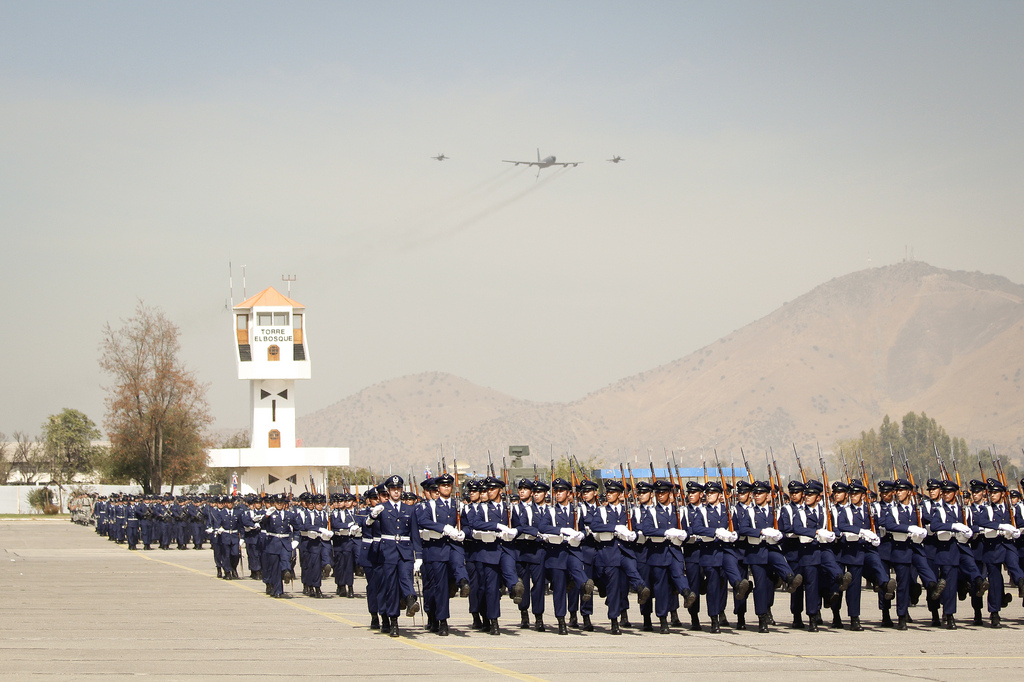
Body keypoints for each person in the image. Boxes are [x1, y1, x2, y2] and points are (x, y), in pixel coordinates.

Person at [735, 480, 802, 633]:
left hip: (771, 547)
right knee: (761, 586)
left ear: (768, 496)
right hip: (755, 551)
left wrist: (780, 536)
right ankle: (762, 618)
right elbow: (743, 529)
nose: (757, 496)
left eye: (760, 493)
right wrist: (761, 532)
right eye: (755, 493)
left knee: (778, 559)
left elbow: (784, 530)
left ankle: (790, 578)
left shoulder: (775, 512)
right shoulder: (750, 512)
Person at [365, 475, 421, 637]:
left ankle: (411, 599)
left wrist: (419, 556)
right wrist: (373, 515)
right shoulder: (382, 508)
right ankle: (393, 621)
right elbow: (367, 525)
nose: (396, 492)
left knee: (406, 578)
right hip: (387, 552)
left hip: (405, 550)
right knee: (390, 588)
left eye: (398, 489)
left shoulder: (409, 509)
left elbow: (414, 534)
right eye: (393, 489)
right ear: (388, 491)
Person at [415, 473, 470, 636]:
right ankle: (442, 621)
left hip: (453, 546)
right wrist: (444, 528)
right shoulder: (430, 506)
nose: (446, 488)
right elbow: (423, 521)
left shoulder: (457, 505)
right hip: (437, 549)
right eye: (443, 486)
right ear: (438, 488)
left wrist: (463, 533)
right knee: (440, 587)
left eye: (449, 485)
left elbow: (467, 524)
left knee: (459, 565)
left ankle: (463, 583)